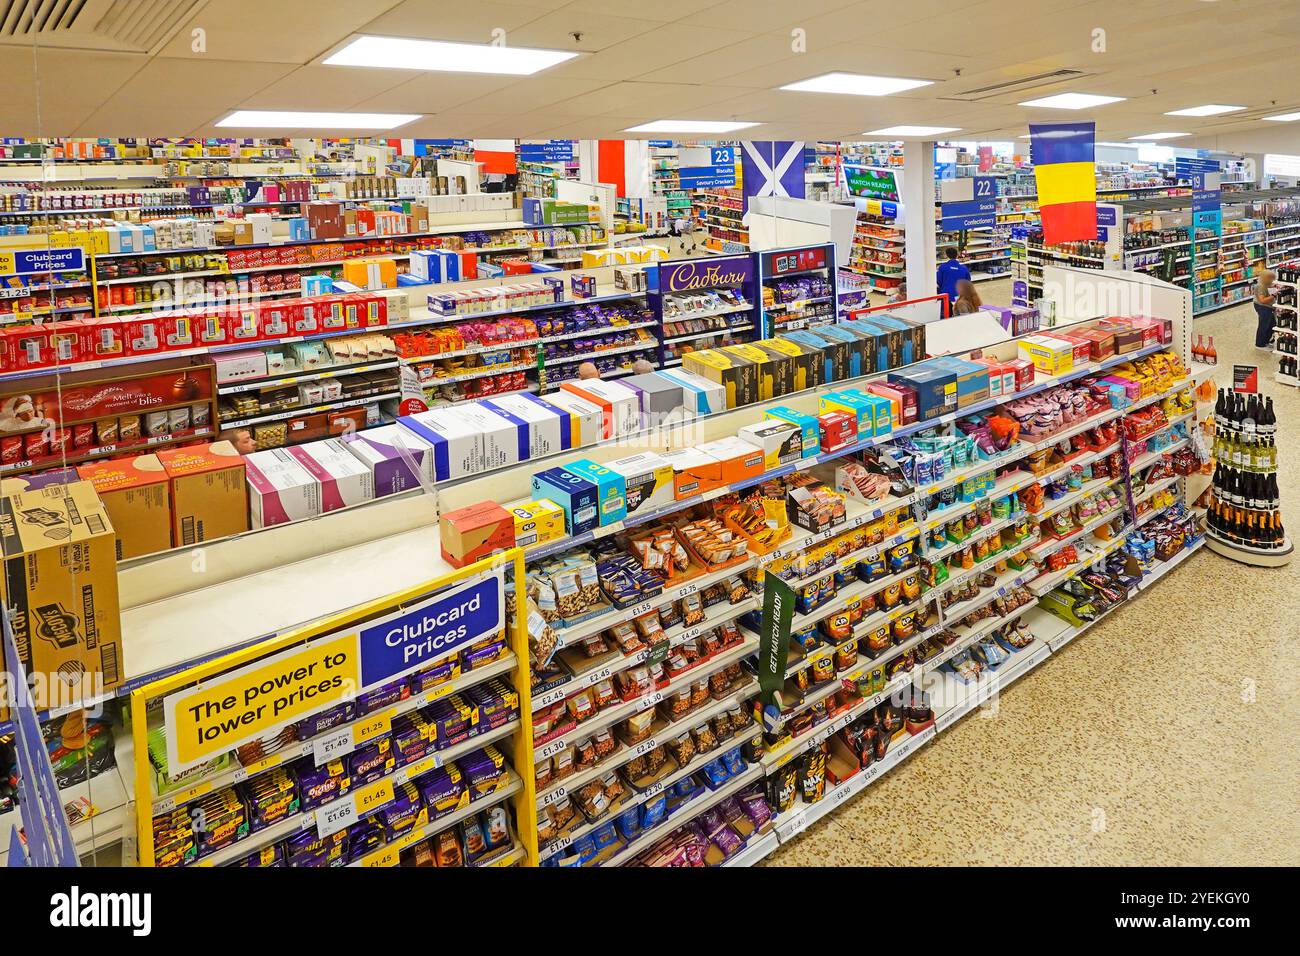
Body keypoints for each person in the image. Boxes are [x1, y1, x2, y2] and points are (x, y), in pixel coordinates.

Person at [1254, 270, 1277, 351]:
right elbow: (1262, 300)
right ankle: (1260, 344)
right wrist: (1274, 295)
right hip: (1263, 307)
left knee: (1272, 324)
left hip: (1269, 307)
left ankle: (1266, 341)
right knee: (1264, 325)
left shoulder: (1268, 284)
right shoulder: (1261, 286)